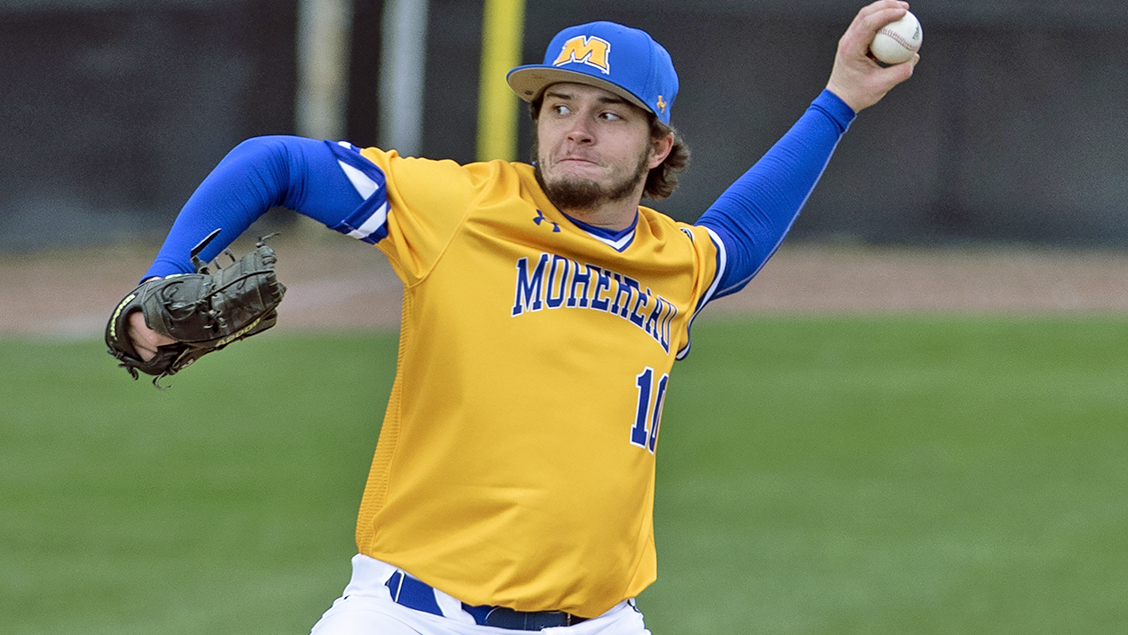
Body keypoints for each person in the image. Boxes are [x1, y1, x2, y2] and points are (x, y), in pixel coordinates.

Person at [122, 2, 917, 632]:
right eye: (559, 104)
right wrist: (163, 283)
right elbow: (279, 161)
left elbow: (740, 236)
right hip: (409, 617)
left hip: (599, 622)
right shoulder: (461, 207)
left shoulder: (676, 263)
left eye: (609, 113)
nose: (575, 125)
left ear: (657, 145)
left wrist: (841, 97)